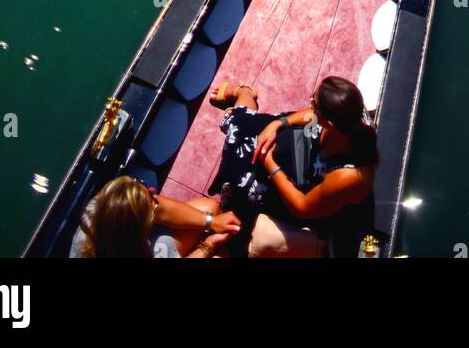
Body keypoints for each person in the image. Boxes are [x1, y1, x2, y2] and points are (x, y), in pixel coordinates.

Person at [209, 76, 377, 258]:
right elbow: (311, 116)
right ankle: (243, 94)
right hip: (301, 153)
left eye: (315, 104)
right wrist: (280, 123)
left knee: (240, 169)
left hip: (304, 192)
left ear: (329, 124)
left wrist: (270, 163)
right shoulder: (349, 118)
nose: (310, 103)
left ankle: (241, 98)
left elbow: (302, 207)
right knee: (244, 125)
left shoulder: (349, 176)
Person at [70, 175, 241, 259]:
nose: (154, 192)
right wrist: (207, 246)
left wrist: (211, 222)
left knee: (208, 209)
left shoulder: (102, 205)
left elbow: (160, 208)